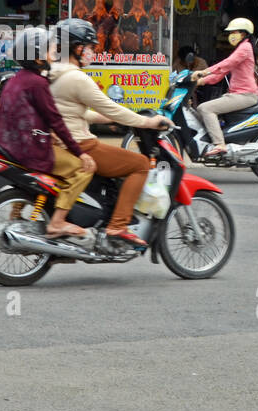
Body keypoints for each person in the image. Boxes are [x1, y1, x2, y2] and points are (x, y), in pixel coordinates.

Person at [48, 18, 169, 248]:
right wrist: (148, 122)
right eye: (91, 48)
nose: (93, 53)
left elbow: (69, 111)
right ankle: (118, 225)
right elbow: (111, 107)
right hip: (81, 144)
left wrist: (103, 118)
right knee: (140, 164)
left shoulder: (54, 72)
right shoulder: (77, 78)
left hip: (61, 142)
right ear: (78, 48)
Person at [0, 27, 97, 237]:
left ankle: (17, 213)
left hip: (10, 145)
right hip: (31, 150)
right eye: (49, 49)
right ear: (38, 56)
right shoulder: (38, 83)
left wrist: (50, 134)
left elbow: (29, 115)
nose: (54, 53)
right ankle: (57, 222)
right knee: (84, 169)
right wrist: (80, 153)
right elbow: (55, 119)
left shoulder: (16, 79)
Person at [191, 17, 258, 157]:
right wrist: (200, 81)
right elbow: (221, 73)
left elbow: (227, 63)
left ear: (244, 33)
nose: (231, 35)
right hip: (238, 94)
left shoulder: (245, 48)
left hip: (244, 95)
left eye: (234, 32)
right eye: (230, 32)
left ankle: (219, 144)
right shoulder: (241, 47)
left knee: (205, 108)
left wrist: (204, 72)